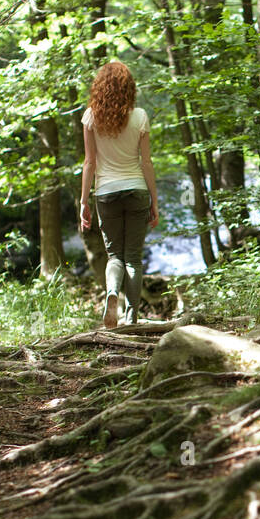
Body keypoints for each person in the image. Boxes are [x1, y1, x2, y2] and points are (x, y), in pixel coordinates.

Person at [79, 61, 159, 327]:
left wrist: (83, 202)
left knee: (115, 257)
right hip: (136, 190)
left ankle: (112, 292)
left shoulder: (91, 116)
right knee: (133, 258)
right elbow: (146, 162)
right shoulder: (140, 116)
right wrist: (154, 201)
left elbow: (89, 162)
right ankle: (131, 316)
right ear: (129, 87)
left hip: (106, 192)